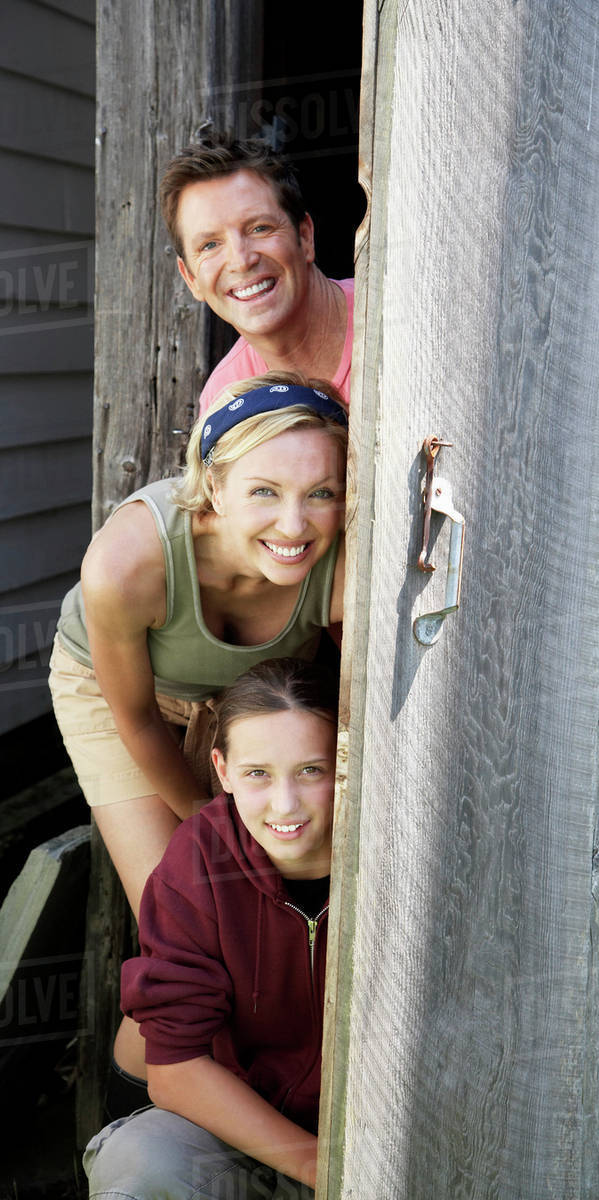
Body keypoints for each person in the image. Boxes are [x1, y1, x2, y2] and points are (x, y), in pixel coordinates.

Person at [49, 372, 346, 1085]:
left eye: (322, 493)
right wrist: (213, 830)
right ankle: (154, 1091)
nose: (294, 525)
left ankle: (279, 1087)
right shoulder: (127, 562)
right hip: (121, 696)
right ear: (213, 487)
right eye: (265, 491)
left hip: (253, 706)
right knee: (188, 907)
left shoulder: (344, 563)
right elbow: (135, 718)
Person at [83, 657, 337, 1199]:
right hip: (241, 1132)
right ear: (222, 770)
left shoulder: (398, 852)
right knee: (137, 1160)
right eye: (257, 773)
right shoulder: (200, 858)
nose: (285, 804)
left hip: (382, 1129)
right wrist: (324, 1172)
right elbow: (175, 1068)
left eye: (311, 770)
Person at [159, 130, 354, 415]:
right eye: (210, 245)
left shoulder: (397, 316)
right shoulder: (225, 403)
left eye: (260, 228)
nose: (241, 261)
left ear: (305, 237)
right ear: (191, 279)